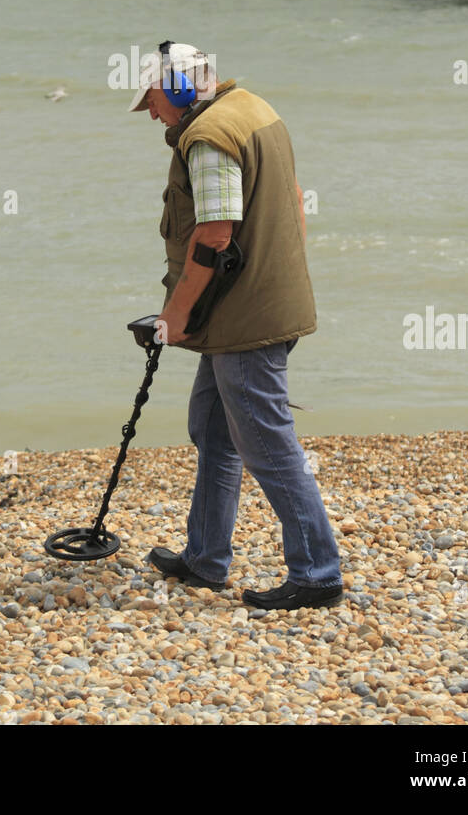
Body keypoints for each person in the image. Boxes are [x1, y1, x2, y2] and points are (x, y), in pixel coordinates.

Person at [129, 42, 344, 612]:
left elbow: (216, 233)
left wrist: (174, 315)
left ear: (176, 89)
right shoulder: (253, 108)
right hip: (249, 307)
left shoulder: (207, 138)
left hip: (248, 319)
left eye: (152, 100)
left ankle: (318, 572)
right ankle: (205, 558)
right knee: (215, 428)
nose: (152, 114)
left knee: (266, 442)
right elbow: (294, 202)